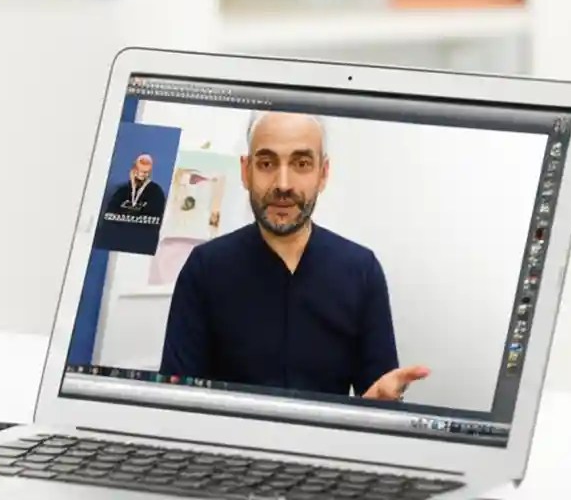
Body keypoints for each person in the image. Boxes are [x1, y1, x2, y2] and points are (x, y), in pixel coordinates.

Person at [159, 112, 431, 401]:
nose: (284, 184)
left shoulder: (362, 270)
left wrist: (380, 404)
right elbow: (175, 397)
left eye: (301, 164)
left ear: (323, 173)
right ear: (246, 171)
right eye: (266, 163)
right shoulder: (204, 269)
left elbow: (377, 395)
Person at [94, 153, 168, 254]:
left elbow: (156, 221)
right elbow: (109, 217)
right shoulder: (121, 191)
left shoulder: (156, 192)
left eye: (145, 172)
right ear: (134, 169)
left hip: (142, 246)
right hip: (115, 244)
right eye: (139, 171)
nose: (141, 174)